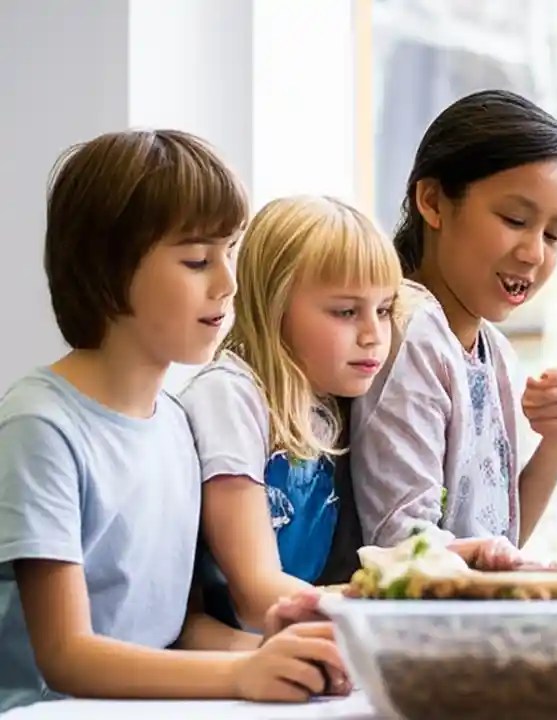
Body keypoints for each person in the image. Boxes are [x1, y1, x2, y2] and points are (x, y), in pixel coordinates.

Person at [0, 130, 343, 712]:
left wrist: (287, 657)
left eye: (230, 252)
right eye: (197, 259)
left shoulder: (177, 428)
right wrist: (242, 673)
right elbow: (67, 655)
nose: (228, 283)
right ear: (107, 268)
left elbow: (177, 629)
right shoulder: (42, 427)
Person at [351, 89, 557, 549]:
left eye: (554, 234)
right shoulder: (410, 328)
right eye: (514, 219)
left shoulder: (492, 349)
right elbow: (405, 546)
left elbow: (498, 536)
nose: (534, 253)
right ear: (433, 201)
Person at [180, 195, 403, 631]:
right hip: (222, 654)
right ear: (275, 305)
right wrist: (392, 607)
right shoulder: (229, 398)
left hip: (291, 641)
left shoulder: (329, 405)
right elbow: (254, 592)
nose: (374, 335)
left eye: (384, 310)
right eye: (346, 311)